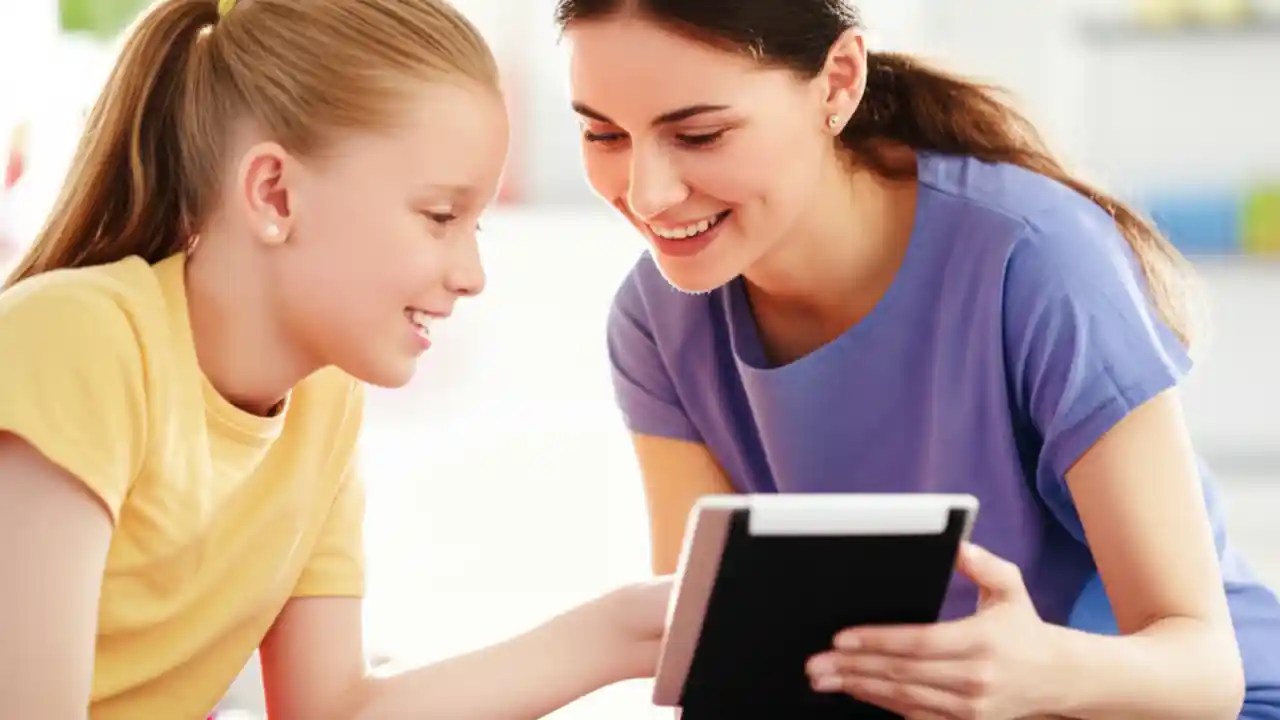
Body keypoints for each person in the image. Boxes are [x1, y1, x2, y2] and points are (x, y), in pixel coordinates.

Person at [553, 0, 1280, 718]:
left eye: (700, 135)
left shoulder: (1037, 257)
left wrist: (1042, 674)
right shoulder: (659, 317)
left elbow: (1205, 674)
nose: (647, 194)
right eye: (603, 134)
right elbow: (716, 657)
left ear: (838, 82)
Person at [0, 1, 671, 718]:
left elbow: (334, 709)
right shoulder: (79, 342)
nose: (472, 275)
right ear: (274, 194)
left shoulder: (322, 401)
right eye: (441, 217)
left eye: (474, 226)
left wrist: (626, 632)